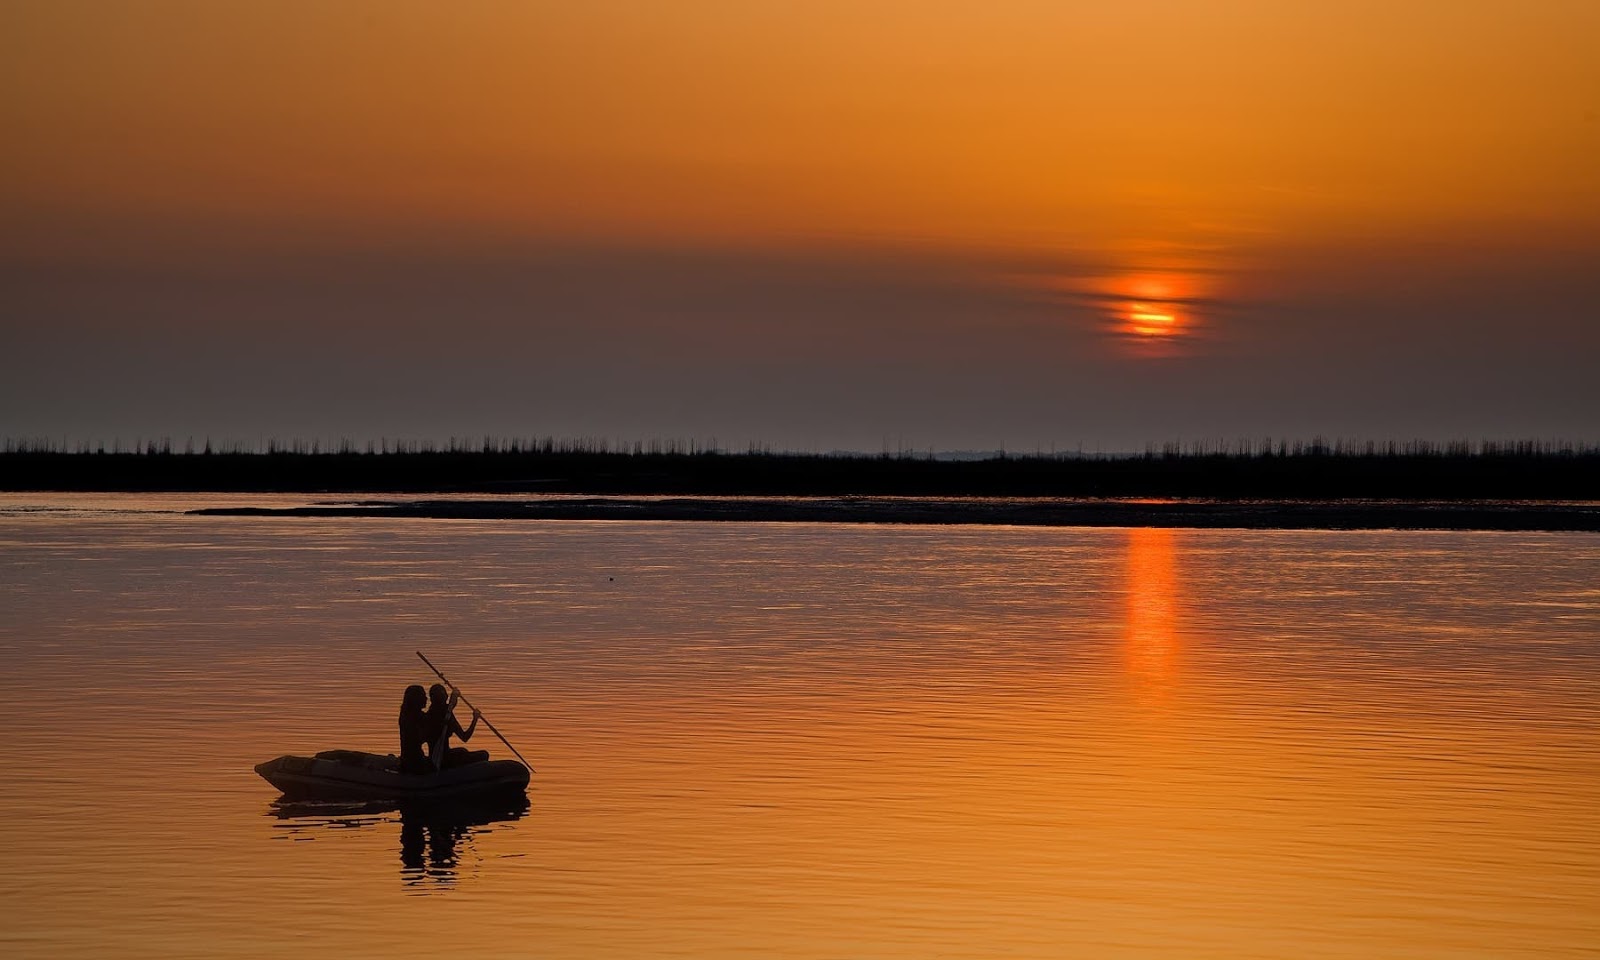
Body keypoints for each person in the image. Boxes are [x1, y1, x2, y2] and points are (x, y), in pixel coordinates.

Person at [422, 683, 488, 769]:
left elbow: (450, 705)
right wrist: (475, 719)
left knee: (463, 750)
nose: (447, 696)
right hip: (443, 760)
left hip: (436, 756)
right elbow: (465, 737)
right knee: (484, 754)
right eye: (444, 695)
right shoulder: (446, 716)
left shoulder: (428, 715)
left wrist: (454, 698)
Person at [397, 684, 432, 775]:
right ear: (416, 700)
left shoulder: (407, 715)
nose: (426, 698)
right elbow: (419, 738)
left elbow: (430, 717)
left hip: (411, 760)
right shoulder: (411, 718)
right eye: (423, 696)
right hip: (414, 763)